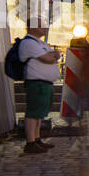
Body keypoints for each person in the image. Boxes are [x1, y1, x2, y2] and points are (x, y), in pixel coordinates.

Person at [18, 26, 60, 155]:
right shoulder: (28, 43)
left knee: (39, 113)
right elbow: (47, 59)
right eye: (40, 25)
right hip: (36, 82)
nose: (45, 28)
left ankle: (37, 139)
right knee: (33, 112)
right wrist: (50, 56)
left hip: (45, 83)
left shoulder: (41, 44)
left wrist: (51, 55)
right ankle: (30, 143)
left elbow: (56, 55)